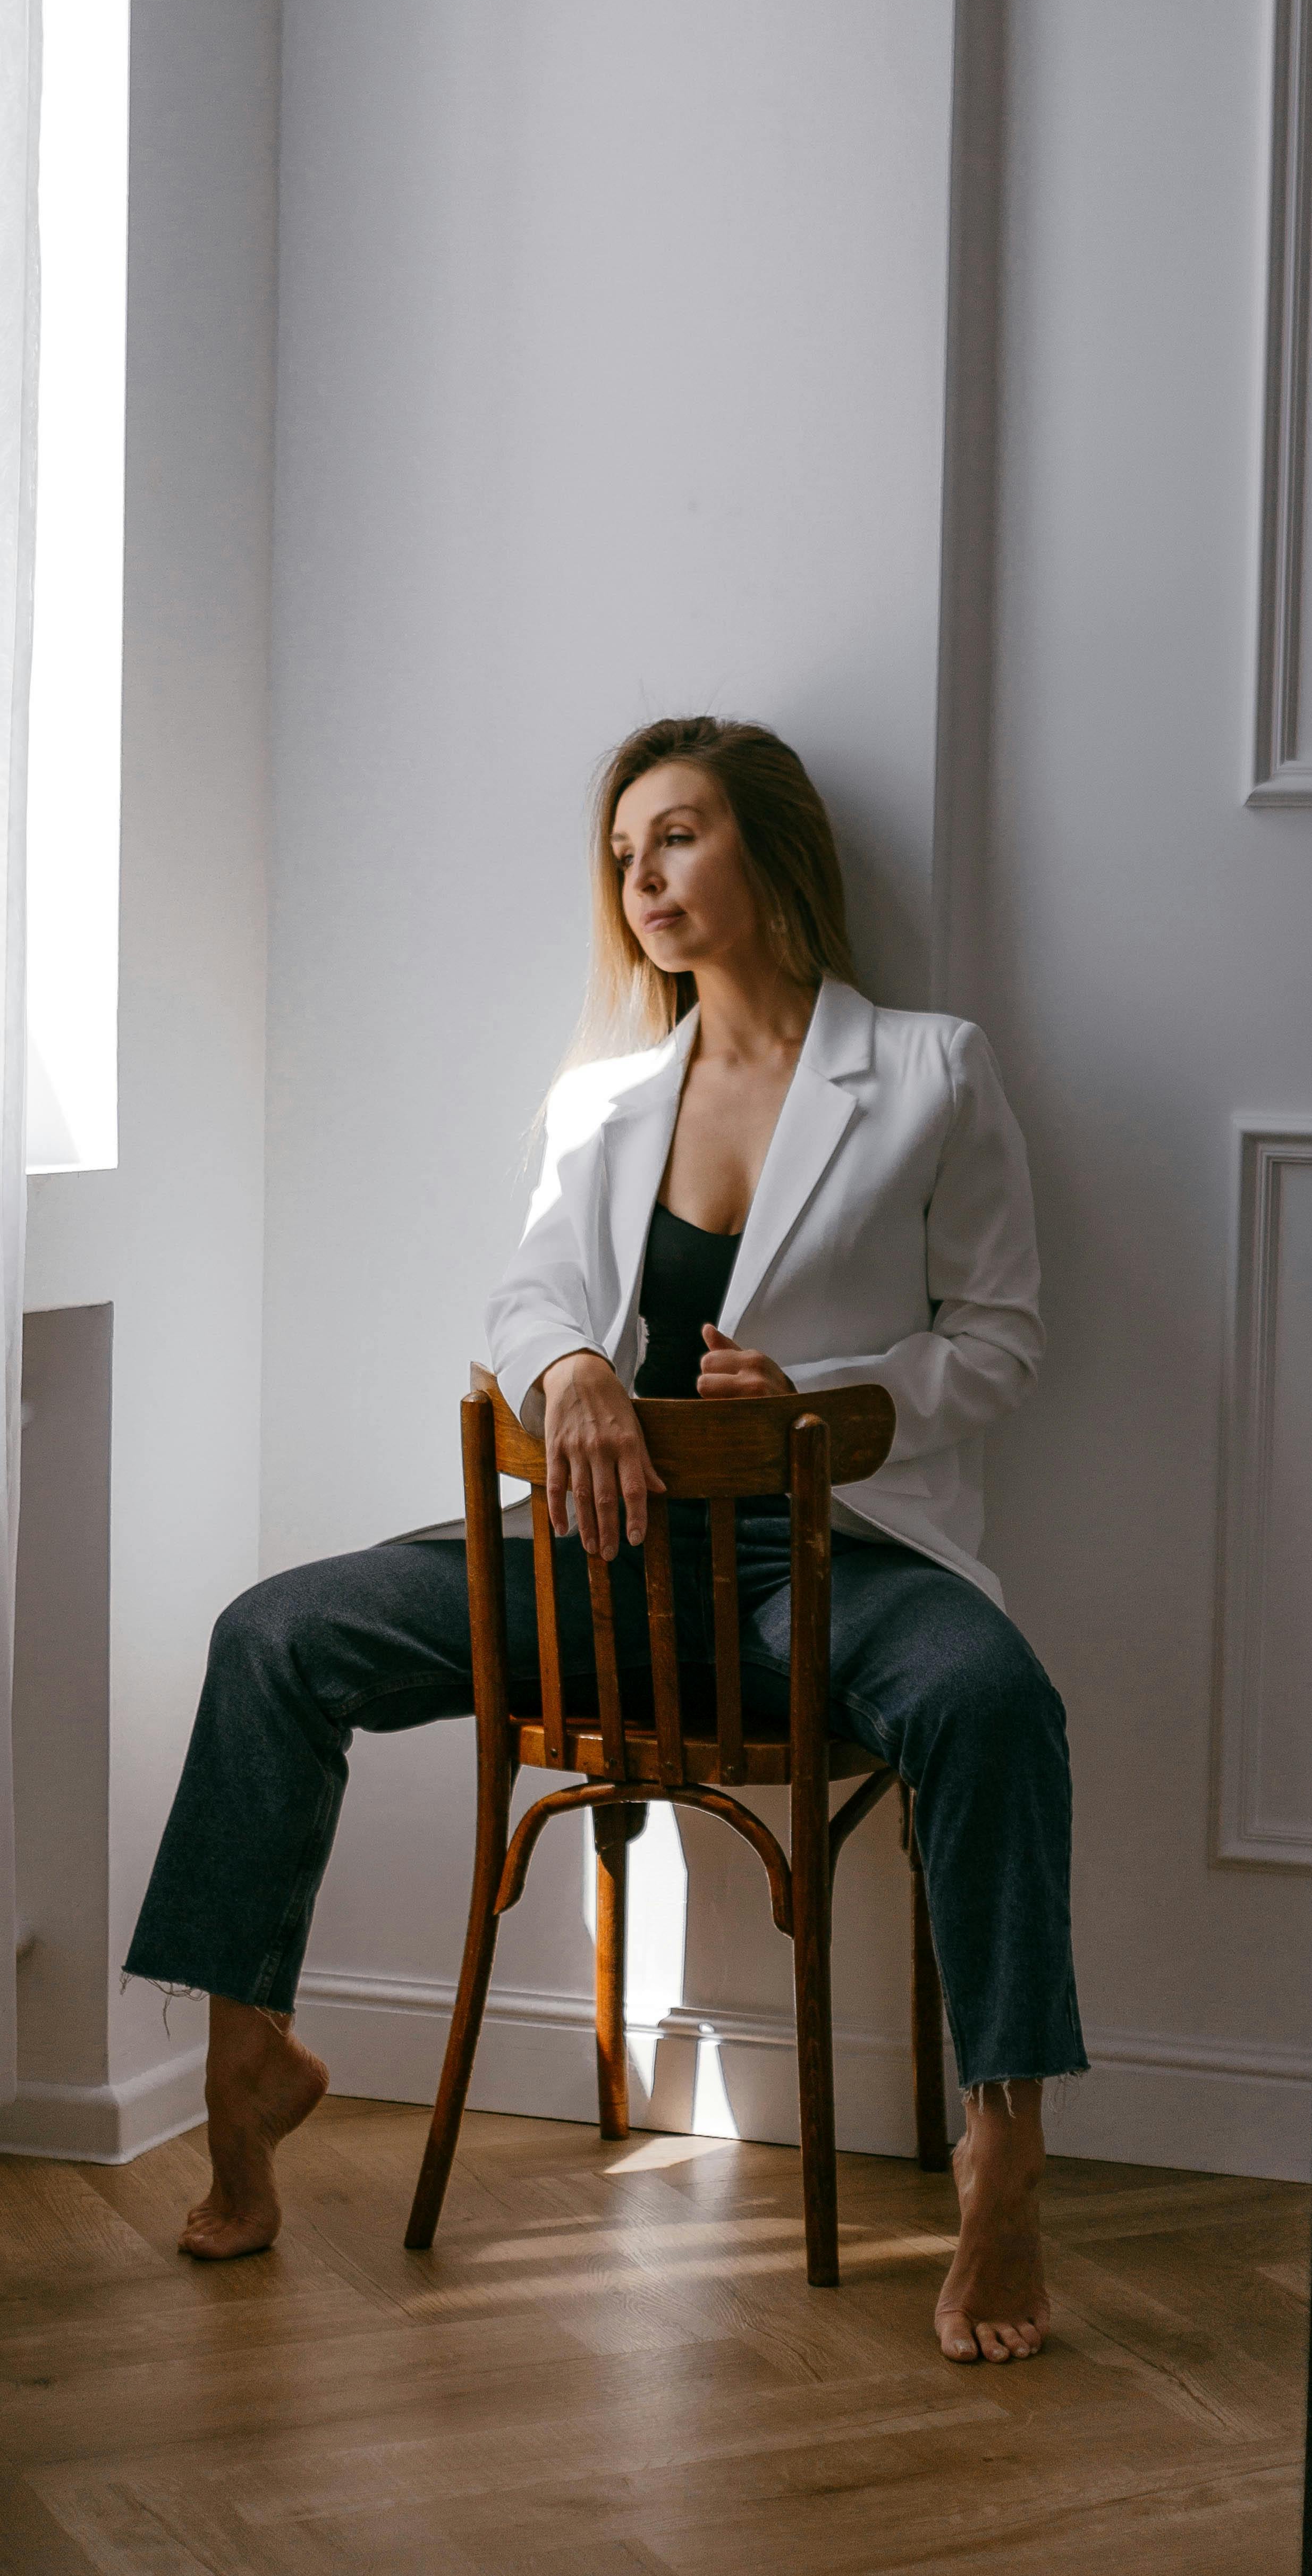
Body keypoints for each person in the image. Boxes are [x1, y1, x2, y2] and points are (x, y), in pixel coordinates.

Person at [126, 714, 1087, 2364]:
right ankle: (246, 2066)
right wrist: (568, 1364)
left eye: (680, 836)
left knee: (993, 1700)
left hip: (832, 1561)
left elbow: (998, 1341)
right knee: (271, 1634)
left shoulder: (930, 1069)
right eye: (624, 851)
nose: (643, 877)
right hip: (602, 1564)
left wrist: (826, 1393)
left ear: (772, 853)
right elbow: (526, 1294)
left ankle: (1003, 2143)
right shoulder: (607, 1094)